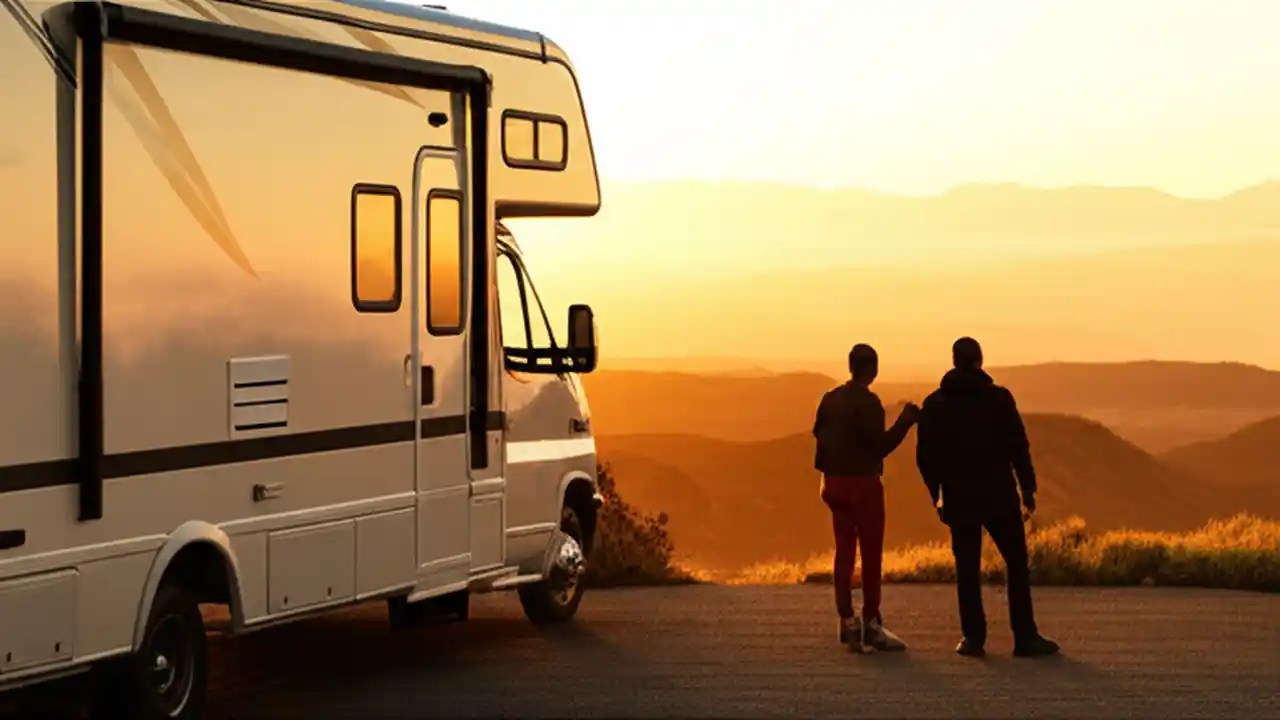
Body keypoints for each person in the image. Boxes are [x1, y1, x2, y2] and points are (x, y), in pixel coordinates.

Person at [915, 337, 1060, 658]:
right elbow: (1018, 446)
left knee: (967, 568)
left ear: (954, 361)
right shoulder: (998, 399)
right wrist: (1028, 488)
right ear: (979, 361)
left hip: (958, 495)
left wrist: (937, 494)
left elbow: (925, 457)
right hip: (999, 494)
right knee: (1016, 563)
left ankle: (973, 638)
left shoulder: (935, 404)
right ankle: (1024, 636)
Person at [812, 343, 918, 652]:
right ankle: (871, 622)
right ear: (873, 369)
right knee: (871, 553)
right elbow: (881, 447)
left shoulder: (829, 399)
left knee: (844, 550)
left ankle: (846, 619)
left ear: (850, 366)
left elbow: (819, 436)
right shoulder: (870, 404)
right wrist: (906, 420)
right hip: (863, 484)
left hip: (833, 482)